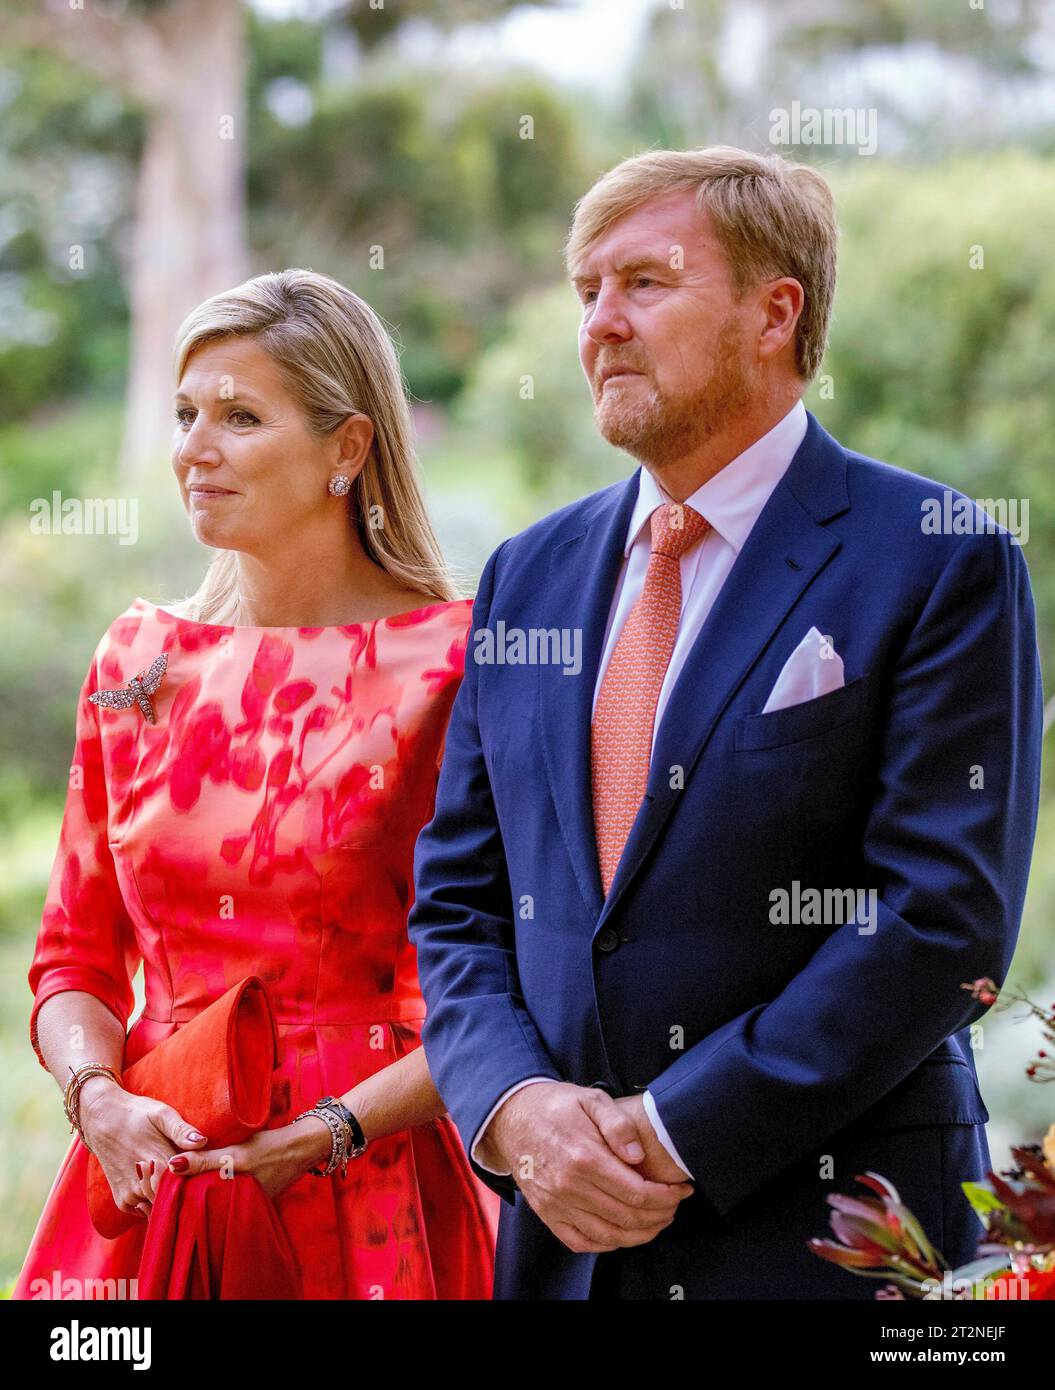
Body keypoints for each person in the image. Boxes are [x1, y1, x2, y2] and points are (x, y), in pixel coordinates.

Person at [407, 147, 1044, 1299]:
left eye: (642, 283)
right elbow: (457, 896)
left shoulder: (942, 553)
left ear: (773, 310)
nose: (599, 323)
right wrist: (518, 1109)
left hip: (834, 1238)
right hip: (560, 1242)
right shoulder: (524, 576)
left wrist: (672, 1128)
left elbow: (942, 919)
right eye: (585, 291)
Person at [14, 268, 497, 1301]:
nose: (193, 447)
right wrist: (96, 1097)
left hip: (369, 1182)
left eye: (240, 416)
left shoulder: (453, 663)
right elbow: (73, 959)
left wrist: (319, 1136)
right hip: (151, 1179)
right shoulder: (137, 662)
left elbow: (488, 989)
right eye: (186, 413)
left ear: (348, 448)